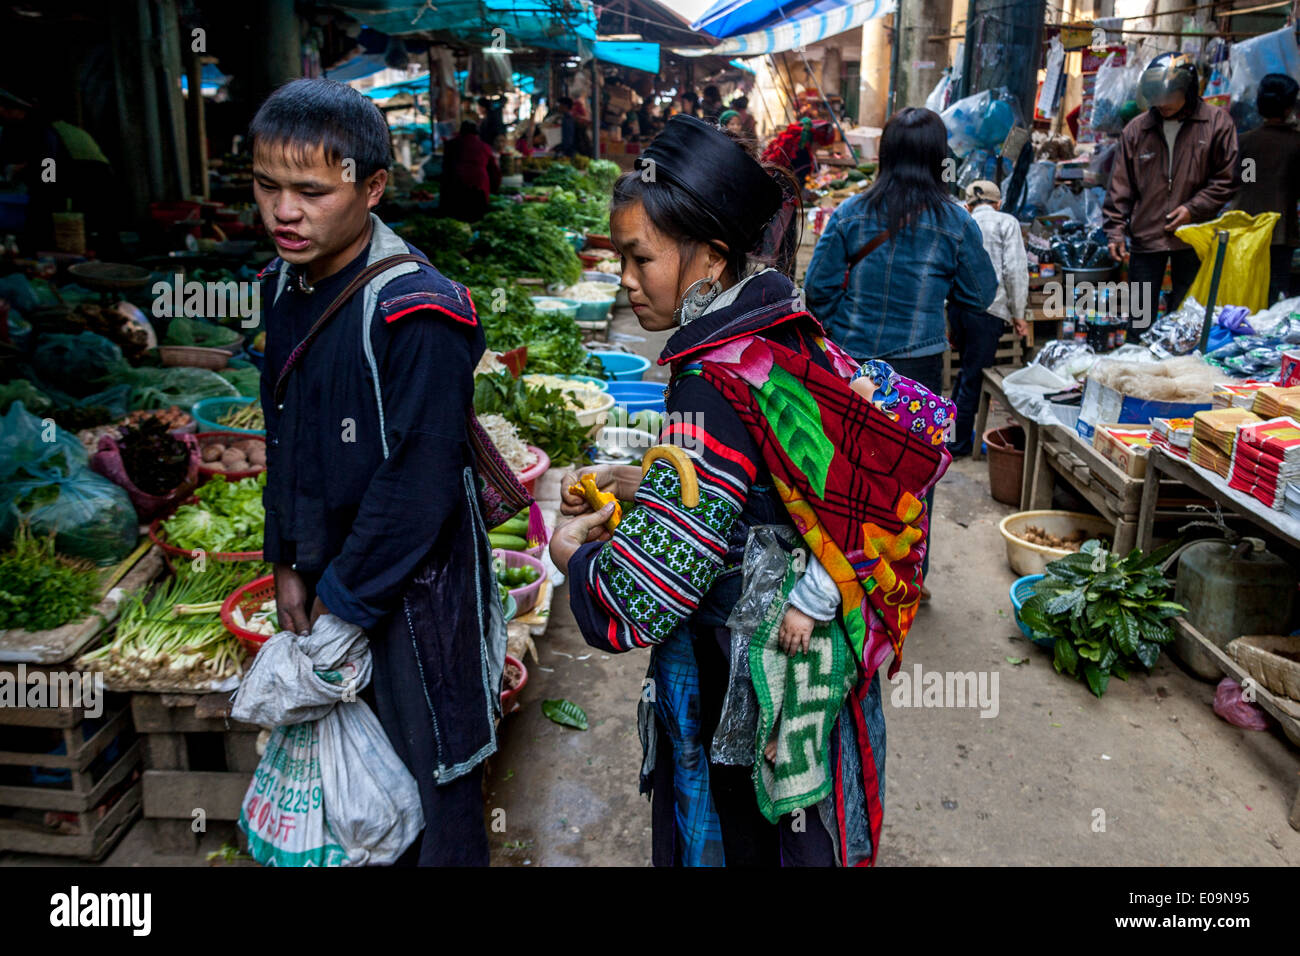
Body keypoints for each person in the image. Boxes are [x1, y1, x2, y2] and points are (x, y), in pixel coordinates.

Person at [548, 114, 951, 866]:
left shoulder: (707, 383)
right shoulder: (781, 334)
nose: (626, 282)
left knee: (743, 839)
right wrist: (642, 486)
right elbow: (757, 494)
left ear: (712, 259)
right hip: (796, 677)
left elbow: (645, 600)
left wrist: (572, 553)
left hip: (740, 678)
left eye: (640, 260)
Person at [250, 78, 518, 866]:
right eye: (267, 187)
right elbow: (284, 435)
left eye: (310, 190)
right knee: (357, 789)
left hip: (418, 596)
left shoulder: (417, 311)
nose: (283, 212)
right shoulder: (280, 285)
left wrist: (342, 601)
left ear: (372, 186)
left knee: (434, 779)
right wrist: (289, 562)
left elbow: (420, 482)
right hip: (332, 575)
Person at [803, 106, 996, 590]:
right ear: (938, 158)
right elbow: (981, 294)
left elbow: (818, 289)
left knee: (846, 467)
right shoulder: (956, 222)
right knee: (912, 473)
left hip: (852, 366)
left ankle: (841, 573)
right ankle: (907, 579)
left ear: (886, 155)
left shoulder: (850, 213)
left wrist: (848, 319)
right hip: (919, 369)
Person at [1103, 52, 1239, 338]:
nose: (1162, 104)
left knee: (1185, 319)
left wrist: (1193, 208)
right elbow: (1120, 186)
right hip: (1145, 237)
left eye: (1169, 96)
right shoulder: (1136, 130)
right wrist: (1115, 231)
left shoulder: (1217, 124)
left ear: (1187, 91)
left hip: (1192, 237)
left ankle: (1176, 375)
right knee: (1139, 321)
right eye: (1156, 97)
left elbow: (1228, 179)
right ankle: (1135, 368)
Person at [946, 179, 1029, 456]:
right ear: (998, 203)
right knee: (972, 378)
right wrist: (1019, 315)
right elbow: (1015, 270)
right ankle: (956, 445)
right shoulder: (1007, 222)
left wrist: (948, 318)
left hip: (958, 310)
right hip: (988, 311)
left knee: (964, 375)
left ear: (968, 204)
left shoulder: (959, 220)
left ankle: (951, 436)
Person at [1235, 73, 1300, 303]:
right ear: (1288, 108)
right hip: (1280, 232)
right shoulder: (1295, 144)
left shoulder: (1247, 142)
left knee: (1246, 292)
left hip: (1248, 228)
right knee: (1274, 296)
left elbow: (1248, 180)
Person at [439, 119, 500, 222]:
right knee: (476, 220)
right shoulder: (484, 147)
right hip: (478, 187)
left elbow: (446, 167)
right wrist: (495, 188)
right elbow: (494, 171)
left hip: (455, 186)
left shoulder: (451, 144)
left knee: (455, 219)